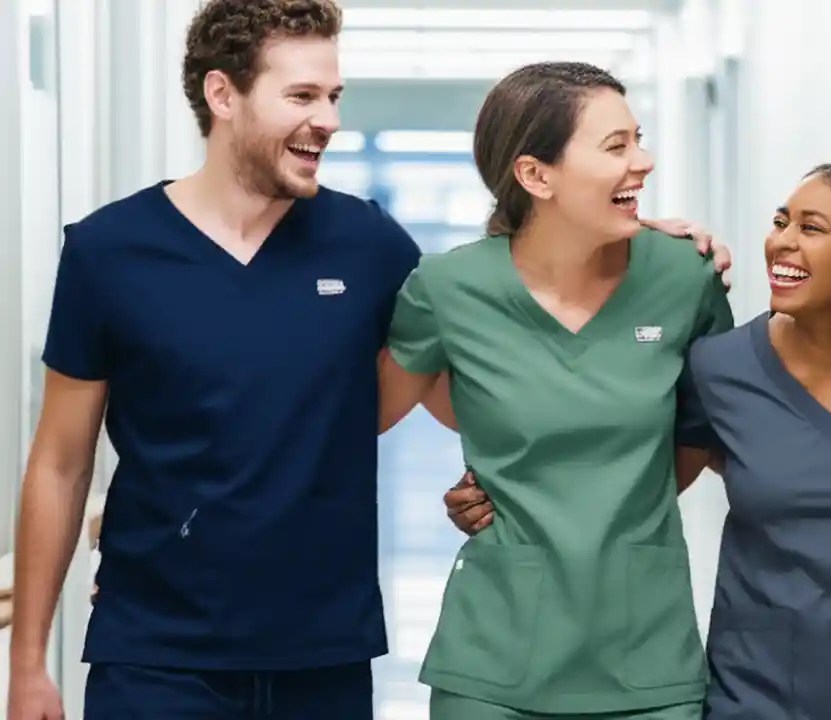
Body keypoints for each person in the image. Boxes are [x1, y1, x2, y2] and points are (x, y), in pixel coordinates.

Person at [5, 4, 728, 718]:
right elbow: (59, 464)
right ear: (222, 94)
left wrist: (619, 230)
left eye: (333, 96)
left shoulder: (368, 246)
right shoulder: (109, 252)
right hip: (155, 650)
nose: (328, 119)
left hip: (324, 652)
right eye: (302, 96)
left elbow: (483, 367)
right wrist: (28, 663)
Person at [446, 161, 831, 720]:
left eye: (811, 228)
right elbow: (625, 495)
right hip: (759, 699)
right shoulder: (719, 368)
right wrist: (503, 495)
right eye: (781, 222)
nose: (782, 242)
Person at [377, 62, 734, 719]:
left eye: (638, 139)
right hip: (494, 660)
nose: (644, 161)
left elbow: (707, 436)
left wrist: (605, 503)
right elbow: (360, 418)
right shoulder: (449, 290)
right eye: (616, 146)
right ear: (536, 176)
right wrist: (508, 480)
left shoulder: (686, 277)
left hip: (647, 657)